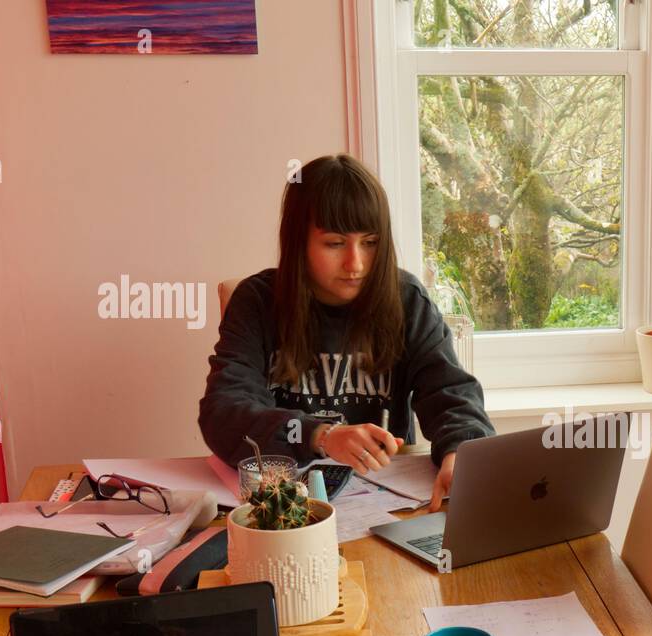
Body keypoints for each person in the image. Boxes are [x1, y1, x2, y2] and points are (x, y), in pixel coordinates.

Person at [199, 154, 493, 510]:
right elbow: (223, 413)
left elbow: (450, 391)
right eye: (335, 244)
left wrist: (462, 452)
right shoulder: (256, 302)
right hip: (285, 513)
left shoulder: (406, 300)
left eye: (369, 243)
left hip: (388, 506)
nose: (356, 264)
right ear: (299, 242)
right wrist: (321, 436)